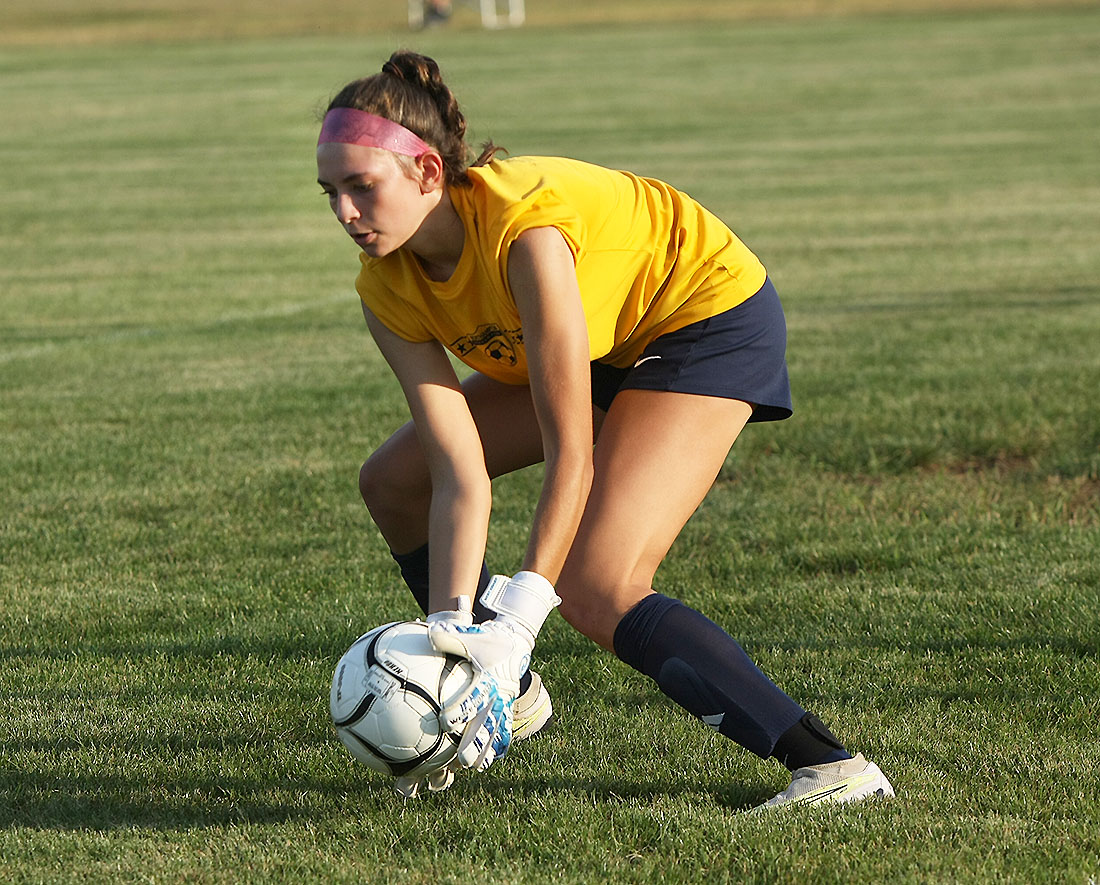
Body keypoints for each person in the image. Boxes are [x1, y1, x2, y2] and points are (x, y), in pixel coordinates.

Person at [315, 50, 895, 808]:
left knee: (596, 588)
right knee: (395, 480)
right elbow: (457, 469)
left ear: (427, 172)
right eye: (330, 192)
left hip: (701, 318)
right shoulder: (385, 285)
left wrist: (518, 620)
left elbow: (571, 454)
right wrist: (456, 633)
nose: (344, 213)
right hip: (608, 341)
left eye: (362, 186)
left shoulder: (525, 235)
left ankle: (829, 767)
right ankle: (507, 693)